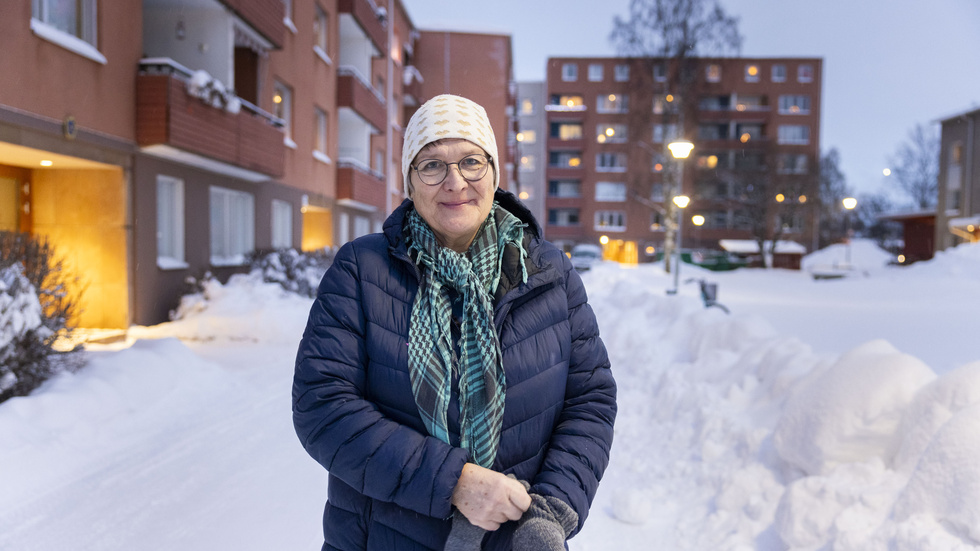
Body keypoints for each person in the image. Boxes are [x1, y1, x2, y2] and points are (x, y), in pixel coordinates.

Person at [293, 93, 617, 550]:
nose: (455, 181)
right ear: (409, 180)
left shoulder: (549, 273)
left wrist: (551, 511)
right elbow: (321, 406)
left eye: (471, 161)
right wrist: (454, 483)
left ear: (493, 171)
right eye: (432, 165)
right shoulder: (361, 270)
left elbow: (591, 400)